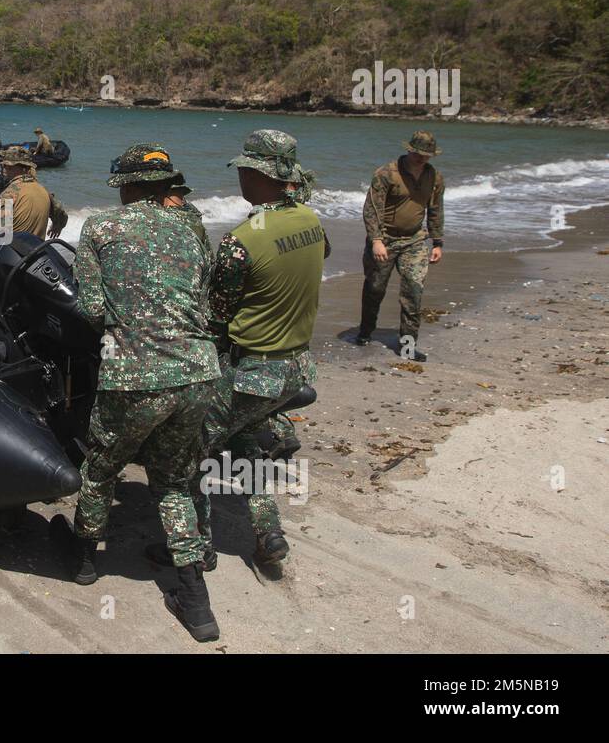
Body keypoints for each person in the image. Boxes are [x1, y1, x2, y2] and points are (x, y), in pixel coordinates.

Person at [54, 143, 223, 643]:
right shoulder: (191, 230)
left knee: (102, 466)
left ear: (123, 186)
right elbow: (205, 298)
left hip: (134, 376)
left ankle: (85, 558)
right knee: (172, 480)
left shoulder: (102, 227)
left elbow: (88, 307)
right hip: (197, 373)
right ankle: (194, 599)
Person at [199, 130, 327, 569]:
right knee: (245, 441)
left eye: (244, 171)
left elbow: (216, 316)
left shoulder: (241, 240)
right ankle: (268, 532)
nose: (240, 179)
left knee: (187, 449)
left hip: (252, 372)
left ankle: (191, 550)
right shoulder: (310, 221)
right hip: (296, 369)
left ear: (257, 174)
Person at [357, 131, 445, 361]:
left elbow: (435, 210)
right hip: (385, 240)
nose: (422, 159)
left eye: (427, 156)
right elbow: (371, 210)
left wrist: (437, 242)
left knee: (413, 293)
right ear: (410, 150)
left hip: (415, 241)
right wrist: (376, 241)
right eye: (418, 154)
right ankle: (365, 331)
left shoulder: (434, 177)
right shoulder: (386, 174)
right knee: (375, 289)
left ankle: (408, 346)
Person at [0, 146, 67, 239]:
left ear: (23, 168)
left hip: (12, 251)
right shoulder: (44, 191)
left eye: (7, 166)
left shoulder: (9, 194)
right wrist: (57, 227)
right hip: (37, 250)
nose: (4, 169)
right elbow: (61, 215)